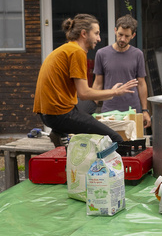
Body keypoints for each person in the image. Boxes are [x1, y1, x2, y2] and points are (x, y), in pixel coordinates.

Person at [34, 14, 138, 146]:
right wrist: (115, 92)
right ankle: (62, 133)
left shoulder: (66, 49)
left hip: (47, 114)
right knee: (115, 138)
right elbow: (84, 93)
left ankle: (59, 133)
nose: (99, 38)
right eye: (96, 33)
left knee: (89, 108)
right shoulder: (77, 52)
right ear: (84, 34)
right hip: (59, 115)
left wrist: (107, 96)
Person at [92, 14, 151, 129]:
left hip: (133, 110)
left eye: (127, 36)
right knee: (110, 140)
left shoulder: (137, 54)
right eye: (120, 34)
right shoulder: (102, 54)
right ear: (115, 30)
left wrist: (145, 110)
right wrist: (91, 107)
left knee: (134, 139)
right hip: (109, 110)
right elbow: (98, 83)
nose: (123, 39)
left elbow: (141, 83)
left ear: (133, 35)